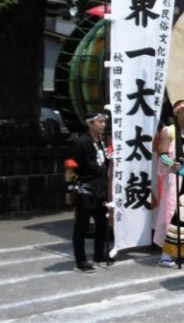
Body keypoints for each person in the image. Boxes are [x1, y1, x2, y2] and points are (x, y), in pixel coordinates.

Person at [155, 100, 184, 268]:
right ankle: (166, 254)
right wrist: (170, 163)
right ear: (177, 113)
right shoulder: (169, 131)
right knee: (172, 212)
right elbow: (163, 153)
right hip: (176, 176)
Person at [70, 112, 111, 273]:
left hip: (100, 188)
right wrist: (70, 187)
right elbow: (70, 165)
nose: (103, 125)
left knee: (102, 224)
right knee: (82, 226)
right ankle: (81, 261)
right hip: (86, 188)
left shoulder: (100, 142)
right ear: (90, 123)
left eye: (104, 122)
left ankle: (99, 254)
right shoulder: (80, 142)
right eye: (100, 122)